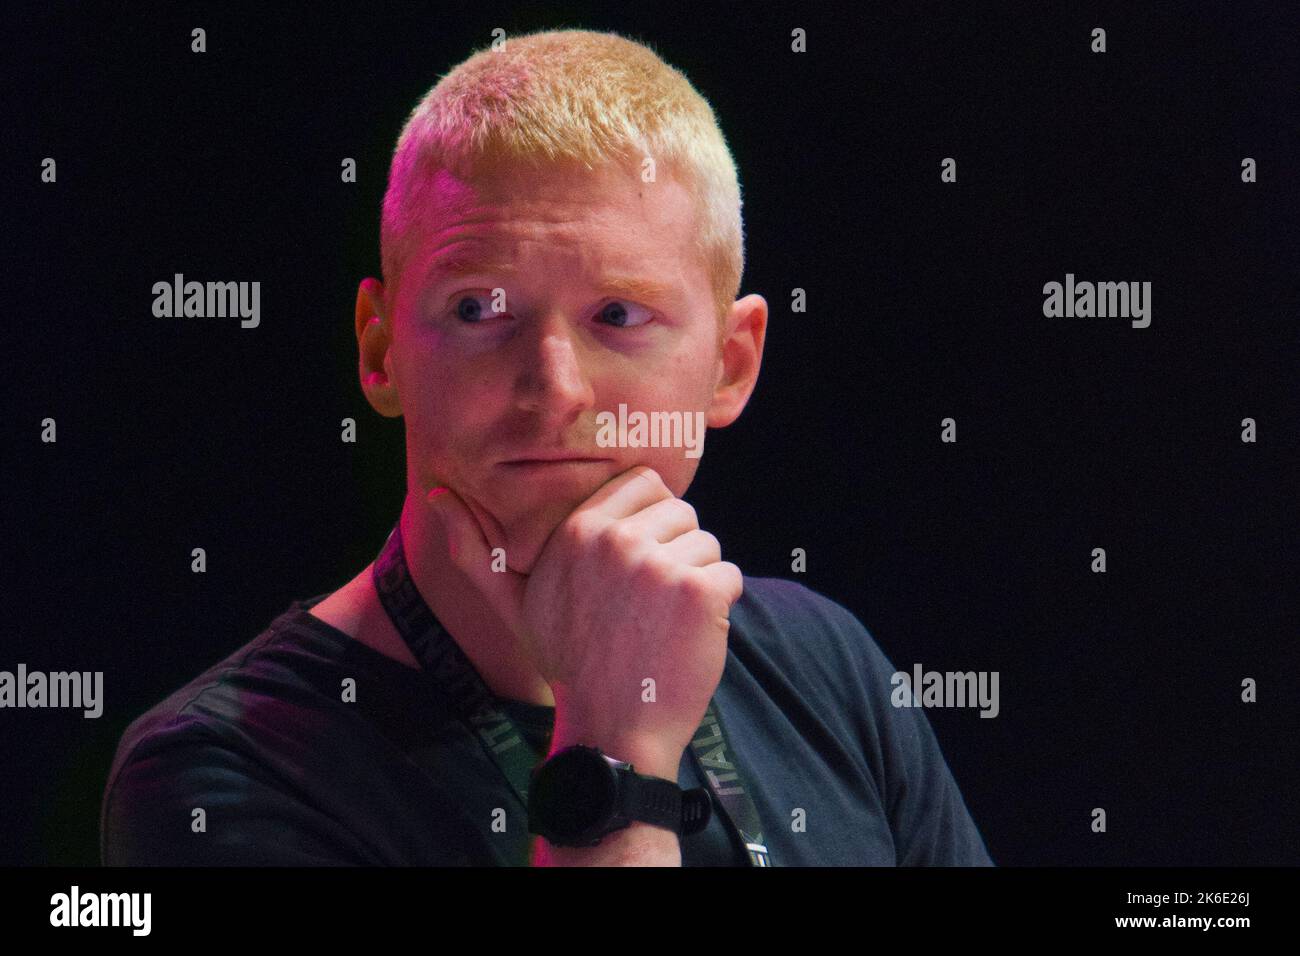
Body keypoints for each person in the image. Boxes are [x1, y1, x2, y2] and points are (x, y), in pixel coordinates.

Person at [100, 27, 993, 867]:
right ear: (380, 352)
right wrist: (615, 754)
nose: (556, 387)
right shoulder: (216, 769)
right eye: (478, 310)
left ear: (730, 363)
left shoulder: (823, 661)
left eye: (618, 315)